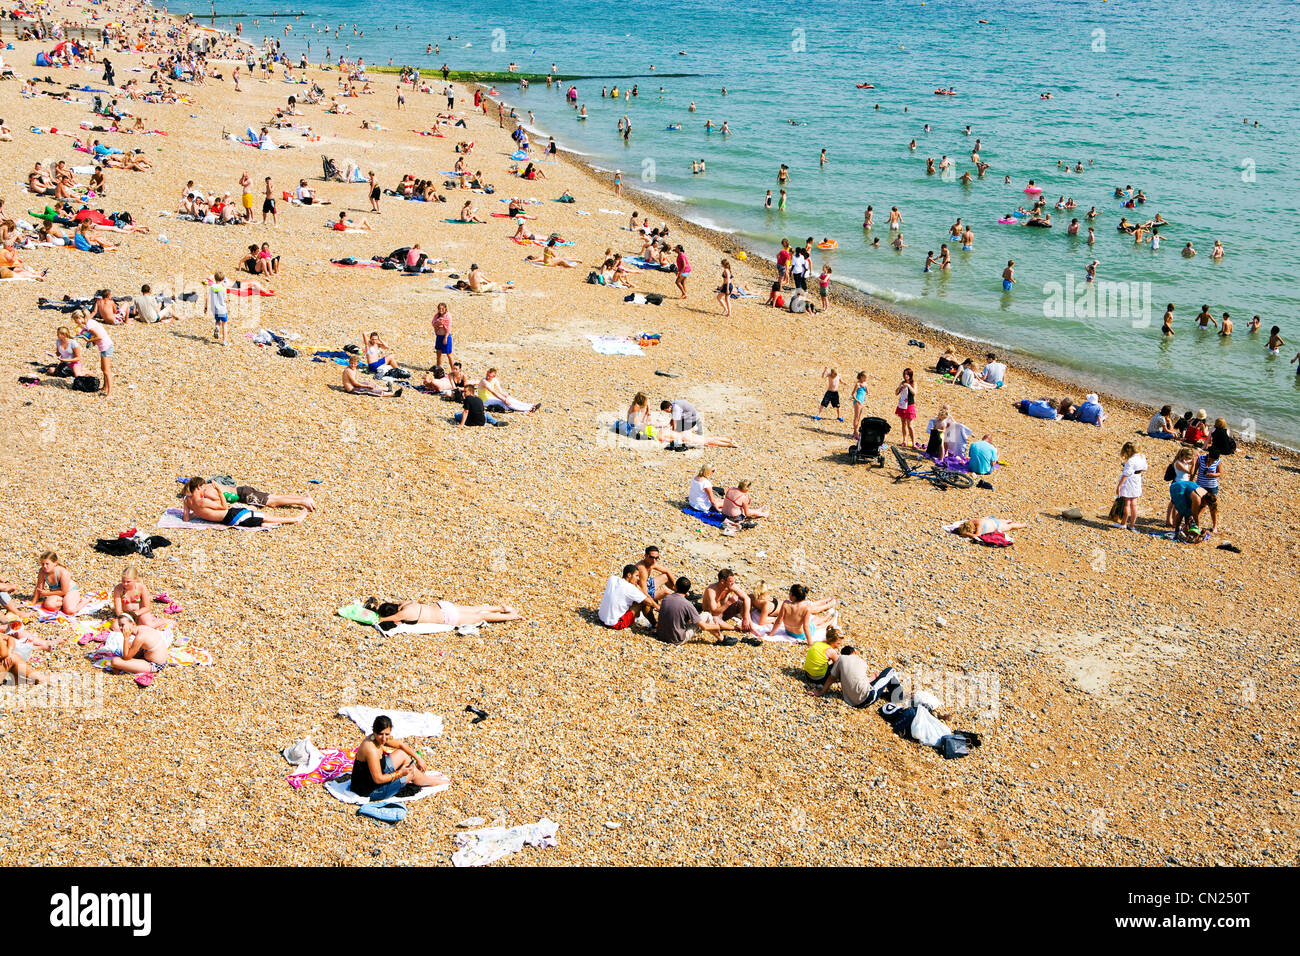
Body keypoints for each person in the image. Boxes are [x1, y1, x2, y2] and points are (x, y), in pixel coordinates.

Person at [349, 715, 449, 801]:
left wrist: (418, 758)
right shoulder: (371, 749)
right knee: (410, 772)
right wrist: (400, 773)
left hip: (374, 774)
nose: (384, 738)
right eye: (380, 734)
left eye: (387, 734)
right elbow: (378, 779)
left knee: (402, 754)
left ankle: (426, 779)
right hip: (370, 790)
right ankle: (430, 781)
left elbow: (400, 745)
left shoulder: (377, 738)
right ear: (374, 732)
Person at [180, 477, 309, 527]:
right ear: (198, 487)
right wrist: (219, 490)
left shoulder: (187, 500)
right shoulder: (203, 500)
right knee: (272, 504)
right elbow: (223, 506)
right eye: (203, 486)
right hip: (234, 512)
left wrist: (197, 514)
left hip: (231, 517)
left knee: (263, 514)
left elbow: (186, 519)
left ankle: (302, 500)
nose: (205, 487)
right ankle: (296, 518)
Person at [367, 598, 521, 629]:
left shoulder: (403, 615)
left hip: (446, 617)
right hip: (443, 606)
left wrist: (372, 613)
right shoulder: (406, 604)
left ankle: (510, 616)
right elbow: (395, 603)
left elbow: (381, 619)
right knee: (474, 608)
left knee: (479, 616)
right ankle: (500, 607)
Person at [655, 577, 725, 645]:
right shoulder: (687, 604)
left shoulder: (666, 598)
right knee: (707, 615)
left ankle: (720, 637)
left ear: (675, 586)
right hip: (676, 640)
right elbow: (704, 627)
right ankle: (721, 639)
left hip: (660, 636)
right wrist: (717, 626)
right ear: (687, 591)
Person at [103, 614, 173, 676]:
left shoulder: (140, 637)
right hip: (151, 655)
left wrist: (126, 638)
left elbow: (126, 658)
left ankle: (123, 667)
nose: (121, 628)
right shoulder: (142, 628)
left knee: (115, 661)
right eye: (119, 625)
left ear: (133, 624)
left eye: (123, 625)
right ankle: (125, 666)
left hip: (154, 664)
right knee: (130, 646)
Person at [770, 584, 838, 645]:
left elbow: (779, 621)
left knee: (813, 622)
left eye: (790, 593)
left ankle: (827, 617)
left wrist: (771, 633)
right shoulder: (806, 608)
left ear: (793, 596)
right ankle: (828, 620)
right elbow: (806, 627)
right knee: (815, 621)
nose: (789, 595)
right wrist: (810, 642)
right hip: (801, 635)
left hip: (788, 632)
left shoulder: (785, 604)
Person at [599, 564, 658, 629]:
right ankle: (655, 624)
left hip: (601, 618)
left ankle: (636, 617)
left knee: (633, 599)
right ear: (629, 575)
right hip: (614, 623)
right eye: (637, 576)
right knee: (643, 603)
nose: (638, 579)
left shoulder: (612, 579)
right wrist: (639, 589)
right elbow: (649, 602)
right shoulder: (630, 588)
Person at [73, 308, 113, 397]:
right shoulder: (90, 322)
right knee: (103, 369)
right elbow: (97, 337)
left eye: (75, 320)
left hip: (106, 346)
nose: (75, 322)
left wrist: (88, 340)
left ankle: (110, 393)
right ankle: (105, 387)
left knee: (106, 371)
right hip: (105, 346)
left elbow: (99, 337)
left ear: (79, 317)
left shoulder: (89, 326)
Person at [702, 569, 750, 639]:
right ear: (722, 582)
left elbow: (747, 598)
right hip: (713, 616)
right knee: (714, 619)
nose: (733, 583)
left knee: (741, 603)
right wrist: (729, 602)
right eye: (730, 582)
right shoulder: (711, 591)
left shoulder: (730, 586)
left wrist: (746, 618)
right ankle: (735, 628)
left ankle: (748, 626)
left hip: (723, 612)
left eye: (733, 581)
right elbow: (714, 612)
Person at [1115, 442, 1147, 531]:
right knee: (1134, 504)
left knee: (1127, 503)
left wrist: (1119, 485)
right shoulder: (1142, 456)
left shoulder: (1131, 461)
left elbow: (1126, 474)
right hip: (1137, 479)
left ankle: (1123, 523)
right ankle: (1132, 525)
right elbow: (1144, 468)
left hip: (1129, 480)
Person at [952, 517, 1028, 543]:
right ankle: (1008, 520)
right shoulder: (973, 521)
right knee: (1003, 522)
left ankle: (1023, 525)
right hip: (993, 520)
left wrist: (968, 534)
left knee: (1010, 526)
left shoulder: (979, 526)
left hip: (997, 526)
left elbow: (977, 535)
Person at [205, 271, 230, 345]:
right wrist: (227, 300)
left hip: (215, 309)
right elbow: (226, 299)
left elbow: (207, 298)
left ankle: (217, 327)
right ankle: (225, 341)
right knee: (224, 324)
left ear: (215, 279)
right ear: (223, 280)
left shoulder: (211, 287)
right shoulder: (223, 288)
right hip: (222, 309)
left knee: (217, 320)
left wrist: (206, 307)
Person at [895, 368, 918, 447]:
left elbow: (914, 392)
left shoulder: (913, 383)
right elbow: (896, 393)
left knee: (910, 425)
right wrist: (900, 387)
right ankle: (904, 440)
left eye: (907, 374)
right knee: (903, 423)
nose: (906, 376)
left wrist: (908, 385)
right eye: (905, 374)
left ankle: (913, 442)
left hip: (909, 405)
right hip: (902, 404)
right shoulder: (902, 382)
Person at [850, 372, 869, 437]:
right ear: (861, 377)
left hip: (862, 402)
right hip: (857, 401)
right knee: (856, 417)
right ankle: (855, 432)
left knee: (859, 417)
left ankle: (855, 432)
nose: (866, 378)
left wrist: (866, 387)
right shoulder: (858, 384)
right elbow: (852, 394)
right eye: (865, 377)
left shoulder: (865, 384)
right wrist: (857, 400)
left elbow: (867, 392)